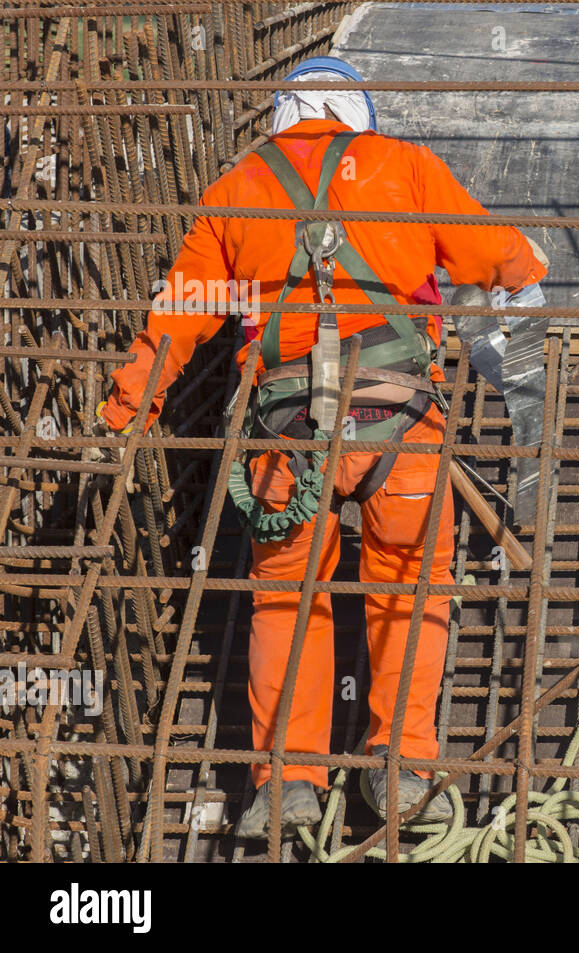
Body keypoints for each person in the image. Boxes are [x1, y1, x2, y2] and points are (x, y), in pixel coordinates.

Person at [97, 55, 548, 838]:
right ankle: (402, 768)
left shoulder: (236, 191)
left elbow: (176, 317)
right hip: (400, 428)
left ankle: (285, 785)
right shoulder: (403, 167)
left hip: (285, 436)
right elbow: (503, 257)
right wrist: (525, 272)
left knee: (282, 596)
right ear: (356, 116)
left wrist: (125, 414)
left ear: (282, 116)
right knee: (411, 586)